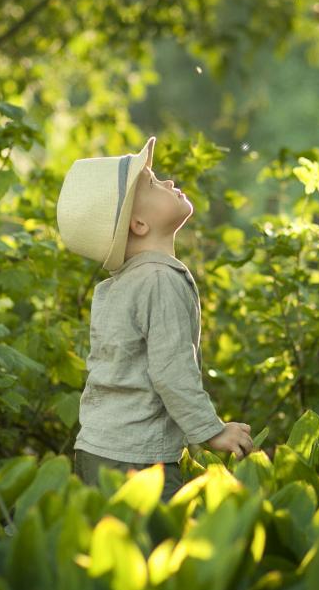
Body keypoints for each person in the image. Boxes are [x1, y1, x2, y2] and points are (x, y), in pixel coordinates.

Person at [56, 135, 255, 503]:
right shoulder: (161, 280)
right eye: (152, 182)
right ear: (139, 225)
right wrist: (211, 431)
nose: (168, 181)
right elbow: (171, 370)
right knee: (153, 550)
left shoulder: (120, 285)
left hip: (98, 447)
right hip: (138, 459)